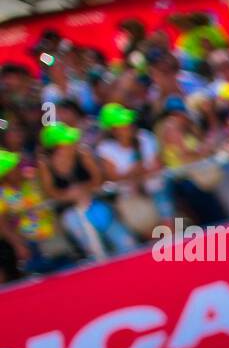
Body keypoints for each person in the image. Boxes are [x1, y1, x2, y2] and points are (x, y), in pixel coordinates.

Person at [36, 122, 136, 260]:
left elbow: (98, 179)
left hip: (95, 204)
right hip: (69, 212)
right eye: (67, 142)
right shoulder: (45, 165)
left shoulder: (83, 153)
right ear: (56, 147)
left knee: (125, 242)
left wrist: (84, 190)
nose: (72, 143)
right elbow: (50, 192)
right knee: (94, 249)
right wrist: (70, 195)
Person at [94, 103, 172, 238]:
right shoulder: (105, 148)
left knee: (164, 206)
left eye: (127, 122)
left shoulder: (145, 137)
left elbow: (159, 164)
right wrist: (135, 172)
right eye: (122, 124)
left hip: (156, 188)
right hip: (130, 196)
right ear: (112, 130)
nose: (127, 126)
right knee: (146, 226)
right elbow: (113, 177)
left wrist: (141, 172)